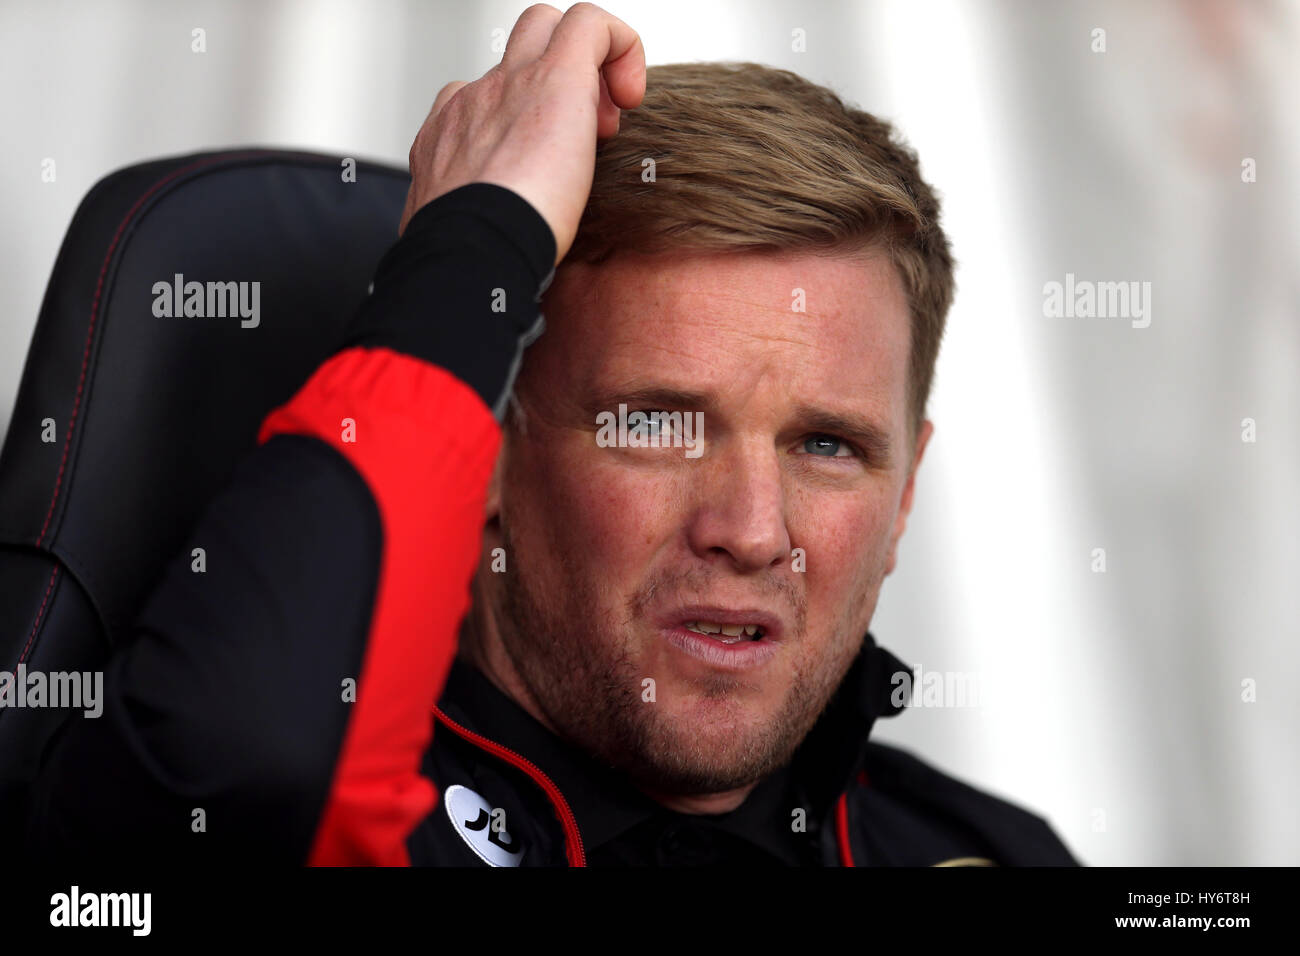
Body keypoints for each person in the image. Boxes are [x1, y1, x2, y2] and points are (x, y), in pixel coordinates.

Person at [22, 2, 1077, 866]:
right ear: (483, 454)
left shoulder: (992, 850)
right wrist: (476, 241)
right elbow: (244, 761)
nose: (752, 531)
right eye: (656, 424)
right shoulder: (318, 818)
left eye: (826, 445)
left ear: (902, 503)